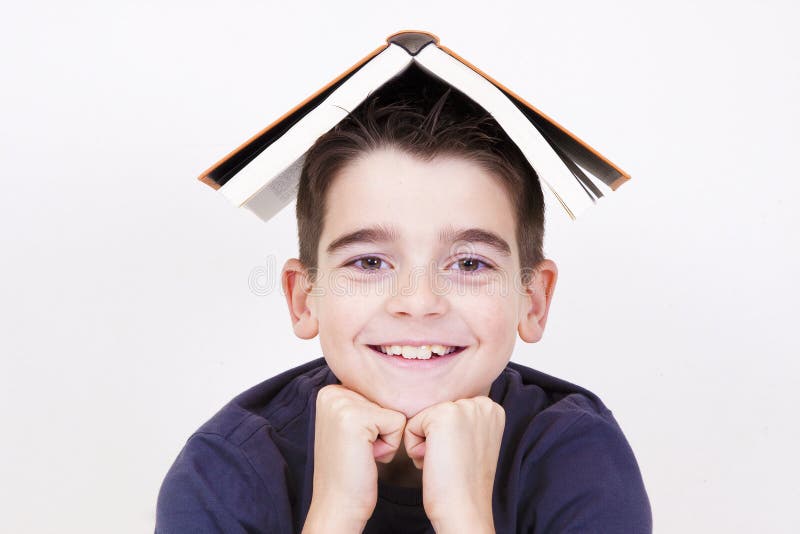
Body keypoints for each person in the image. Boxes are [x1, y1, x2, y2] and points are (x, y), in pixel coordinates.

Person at [155, 65, 653, 533]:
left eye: (469, 264)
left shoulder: (577, 457)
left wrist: (464, 515)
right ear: (304, 299)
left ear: (533, 301)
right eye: (369, 263)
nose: (417, 303)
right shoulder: (225, 467)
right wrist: (335, 513)